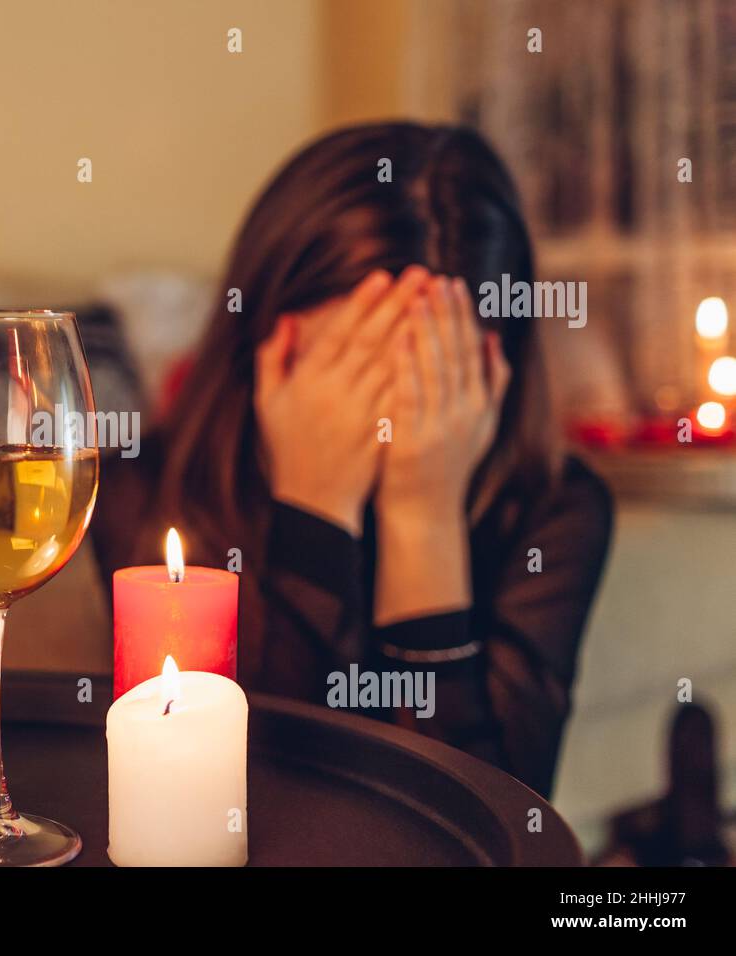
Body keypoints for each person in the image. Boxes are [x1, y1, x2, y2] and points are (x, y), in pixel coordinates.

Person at [91, 122, 613, 797]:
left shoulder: (556, 506)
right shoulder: (146, 487)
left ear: (493, 369)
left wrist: (424, 521)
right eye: (354, 369)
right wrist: (314, 506)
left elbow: (500, 820)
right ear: (266, 345)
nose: (391, 417)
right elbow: (230, 801)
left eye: (433, 376)